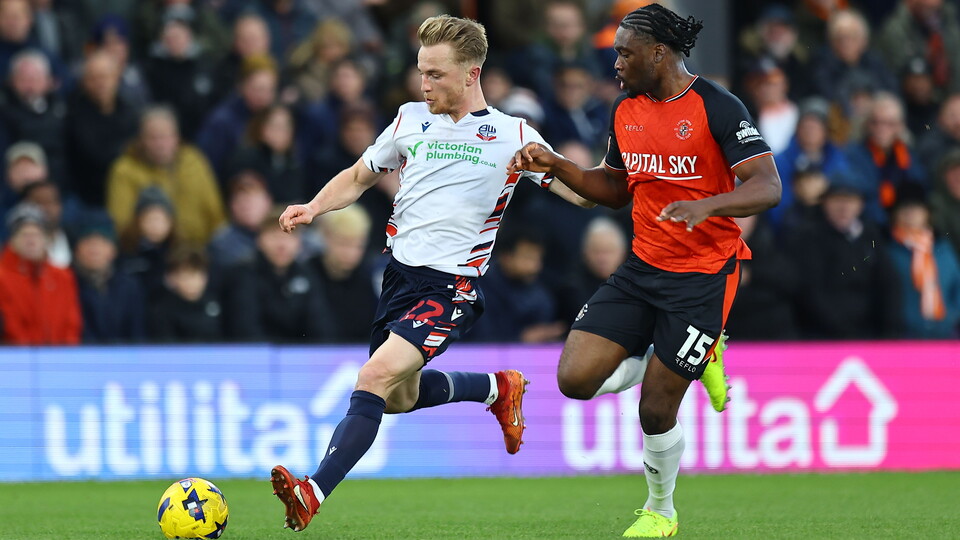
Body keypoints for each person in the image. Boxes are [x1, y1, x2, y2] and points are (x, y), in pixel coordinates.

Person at [268, 15, 594, 533]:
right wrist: (313, 207)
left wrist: (618, 182)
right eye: (422, 72)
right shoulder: (408, 119)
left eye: (436, 74)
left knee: (372, 378)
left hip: (452, 286)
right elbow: (358, 176)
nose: (425, 84)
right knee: (396, 396)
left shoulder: (513, 136)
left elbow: (577, 192)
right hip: (398, 280)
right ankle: (496, 387)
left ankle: (313, 490)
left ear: (471, 73)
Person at [508, 5, 781, 537]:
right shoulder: (626, 109)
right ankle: (691, 352)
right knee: (574, 380)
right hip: (641, 269)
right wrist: (559, 165)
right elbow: (614, 189)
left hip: (704, 277)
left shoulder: (717, 106)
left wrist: (710, 205)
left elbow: (768, 186)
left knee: (655, 409)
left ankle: (662, 510)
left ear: (659, 53)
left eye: (624, 53)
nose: (615, 63)